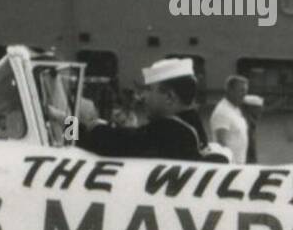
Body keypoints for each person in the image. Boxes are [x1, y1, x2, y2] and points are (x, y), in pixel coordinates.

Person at [75, 58, 220, 161]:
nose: (142, 97)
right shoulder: (191, 123)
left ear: (170, 97)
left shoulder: (171, 130)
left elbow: (108, 144)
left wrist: (68, 125)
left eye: (149, 89)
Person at [209, 74, 250, 163]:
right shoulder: (222, 112)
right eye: (241, 91)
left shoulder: (235, 109)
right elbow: (221, 144)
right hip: (229, 168)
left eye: (246, 91)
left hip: (239, 166)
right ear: (230, 91)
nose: (244, 95)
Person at [242, 93, 264, 163]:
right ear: (250, 109)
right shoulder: (245, 123)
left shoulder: (252, 123)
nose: (260, 112)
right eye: (258, 109)